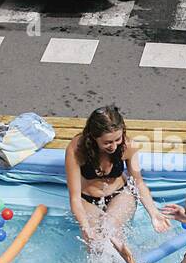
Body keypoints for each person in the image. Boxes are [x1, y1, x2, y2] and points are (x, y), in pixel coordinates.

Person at [64, 106, 171, 248]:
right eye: (107, 142)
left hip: (120, 194)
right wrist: (85, 227)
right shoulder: (77, 149)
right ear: (93, 137)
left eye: (117, 139)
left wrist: (153, 213)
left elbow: (138, 182)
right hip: (88, 201)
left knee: (112, 233)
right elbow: (75, 198)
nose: (113, 146)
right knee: (95, 244)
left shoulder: (128, 146)